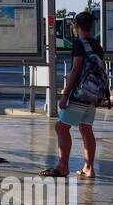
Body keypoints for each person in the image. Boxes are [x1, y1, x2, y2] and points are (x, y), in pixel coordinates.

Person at [44, 11, 105, 179]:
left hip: (80, 93)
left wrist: (65, 94)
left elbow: (76, 68)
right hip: (94, 94)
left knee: (61, 127)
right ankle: (89, 167)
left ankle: (63, 166)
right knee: (86, 129)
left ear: (76, 26)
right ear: (92, 26)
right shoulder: (96, 45)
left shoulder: (79, 44)